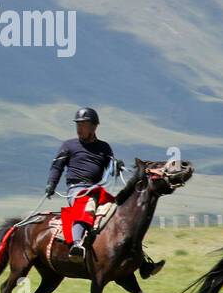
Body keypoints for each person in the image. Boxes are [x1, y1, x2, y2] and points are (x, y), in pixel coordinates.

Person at [45, 107, 163, 275]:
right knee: (87, 206)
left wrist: (117, 165)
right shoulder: (68, 145)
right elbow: (57, 166)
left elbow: (111, 165)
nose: (79, 128)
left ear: (94, 127)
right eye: (78, 125)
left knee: (120, 216)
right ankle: (77, 246)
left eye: (83, 125)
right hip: (76, 189)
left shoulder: (104, 148)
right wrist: (51, 183)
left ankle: (142, 263)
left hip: (97, 189)